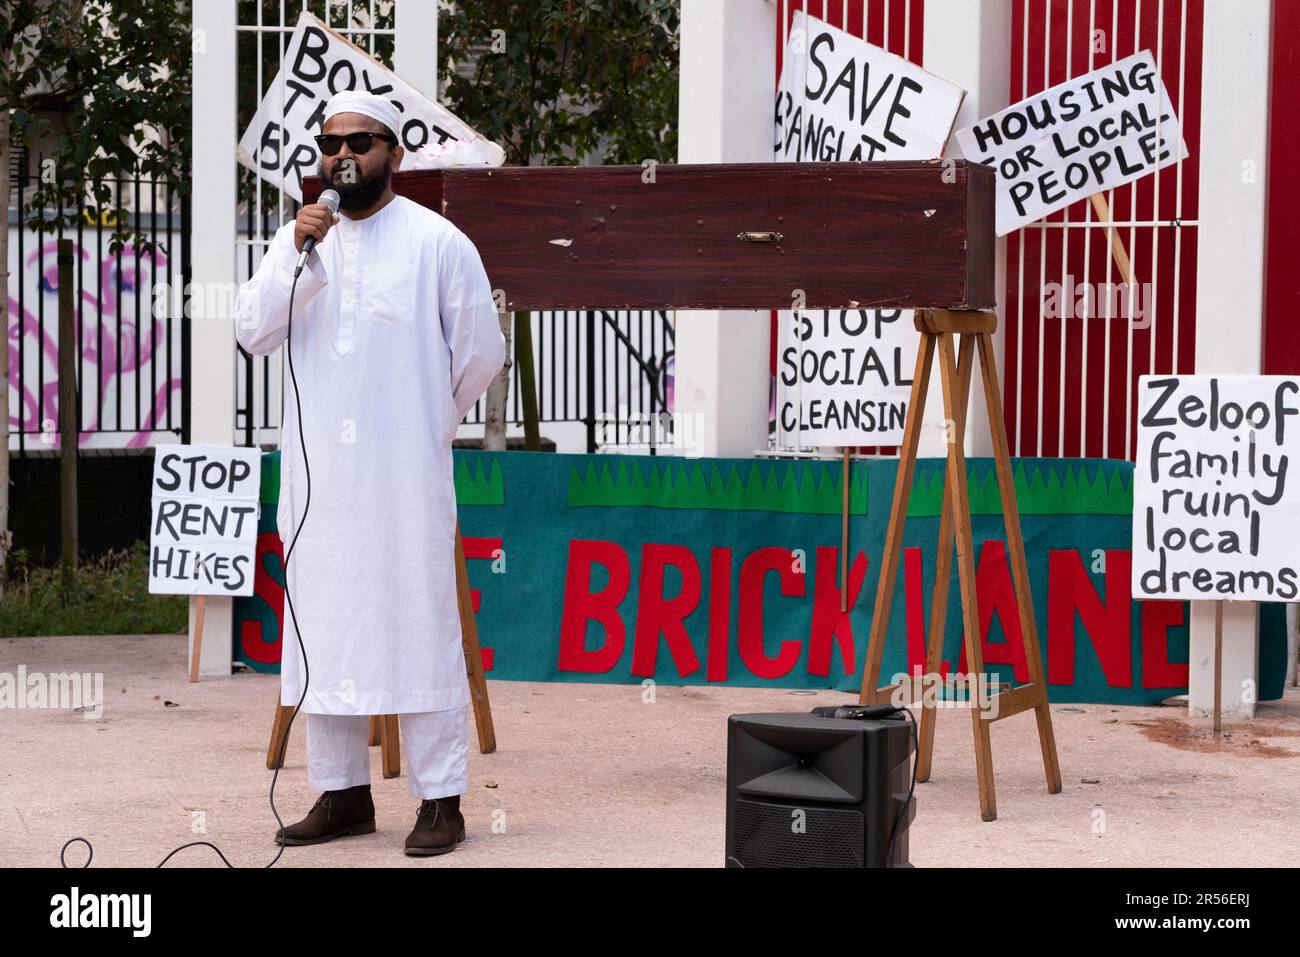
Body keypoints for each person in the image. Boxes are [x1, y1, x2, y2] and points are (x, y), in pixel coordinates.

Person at [234, 89, 506, 857]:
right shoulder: (298, 242)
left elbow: (481, 354)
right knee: (330, 628)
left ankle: (440, 800)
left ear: (395, 152)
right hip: (322, 484)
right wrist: (294, 249)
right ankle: (344, 792)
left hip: (405, 479)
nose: (342, 154)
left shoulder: (439, 242)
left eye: (361, 140)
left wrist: (422, 425)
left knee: (419, 626)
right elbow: (253, 330)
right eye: (329, 143)